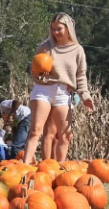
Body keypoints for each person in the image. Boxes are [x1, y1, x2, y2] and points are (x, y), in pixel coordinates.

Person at [22, 13, 95, 164]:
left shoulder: (77, 50)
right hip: (43, 90)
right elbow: (34, 71)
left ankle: (59, 169)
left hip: (63, 92)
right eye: (53, 29)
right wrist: (37, 75)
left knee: (66, 135)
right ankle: (26, 166)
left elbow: (80, 76)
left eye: (59, 29)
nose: (55, 32)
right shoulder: (45, 47)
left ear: (68, 28)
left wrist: (85, 97)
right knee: (36, 130)